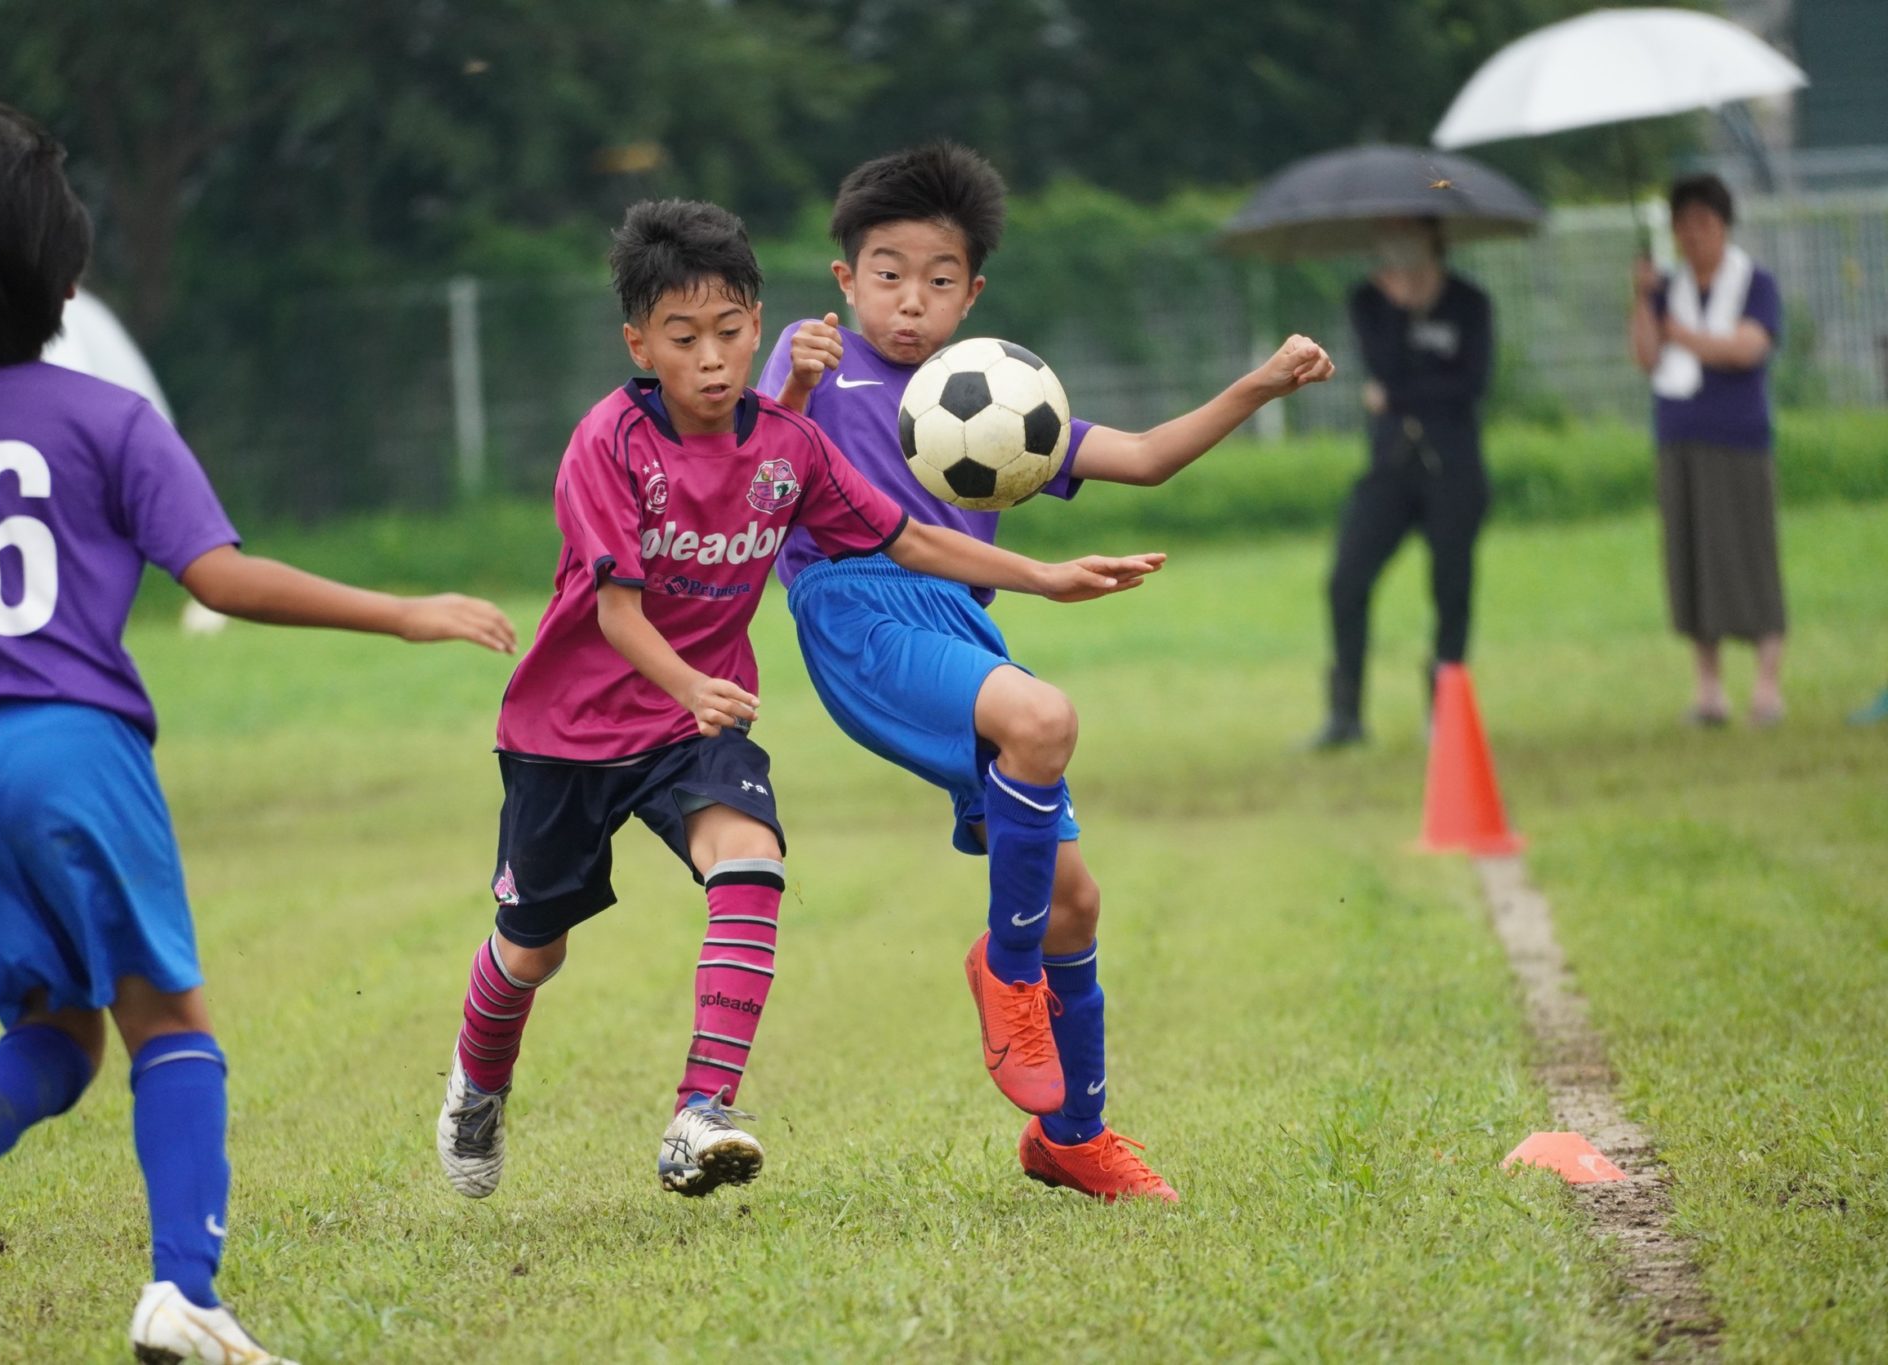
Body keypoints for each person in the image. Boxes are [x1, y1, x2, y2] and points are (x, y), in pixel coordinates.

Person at [0, 109, 518, 1363]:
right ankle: (182, 1294)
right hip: (68, 751)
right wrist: (403, 610)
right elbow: (217, 578)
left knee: (57, 1029)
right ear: (68, 276)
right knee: (173, 1026)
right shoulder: (108, 419)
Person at [432, 197, 1162, 1204]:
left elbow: (903, 539)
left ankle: (701, 1113)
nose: (713, 359)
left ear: (756, 322)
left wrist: (1044, 575)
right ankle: (477, 1083)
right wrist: (688, 680)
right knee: (531, 950)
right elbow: (612, 611)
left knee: (751, 863)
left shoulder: (787, 446)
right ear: (639, 344)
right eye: (683, 340)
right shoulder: (607, 443)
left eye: (731, 333)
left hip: (697, 726)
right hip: (569, 730)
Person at [761, 143, 1333, 1203]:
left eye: (938, 281)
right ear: (844, 279)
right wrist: (791, 379)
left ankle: (1071, 1135)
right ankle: (1005, 974)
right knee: (1043, 716)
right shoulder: (812, 374)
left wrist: (1259, 383)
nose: (910, 302)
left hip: (958, 626)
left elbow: (1150, 457)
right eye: (886, 274)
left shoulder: (990, 397)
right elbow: (759, 463)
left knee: (1073, 901)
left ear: (972, 294)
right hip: (856, 612)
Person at [1310, 218, 1493, 748]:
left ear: (1433, 240)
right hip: (1391, 466)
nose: (1397, 250)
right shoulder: (1369, 300)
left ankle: (1446, 707)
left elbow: (1471, 383)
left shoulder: (1469, 303)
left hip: (1454, 465)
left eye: (1408, 238)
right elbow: (1383, 370)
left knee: (1451, 587)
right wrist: (1399, 307)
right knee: (1346, 580)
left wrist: (1399, 396)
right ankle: (1346, 714)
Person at [1629, 174, 1786, 727]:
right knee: (1692, 560)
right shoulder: (1666, 290)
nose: (1694, 235)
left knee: (1751, 556)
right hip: (1679, 440)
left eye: (1704, 223)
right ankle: (1709, 689)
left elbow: (1749, 347)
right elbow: (1647, 356)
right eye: (1684, 225)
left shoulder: (1754, 282)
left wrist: (1683, 334)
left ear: (1723, 226)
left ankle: (1766, 687)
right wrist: (1643, 298)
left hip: (1740, 440)